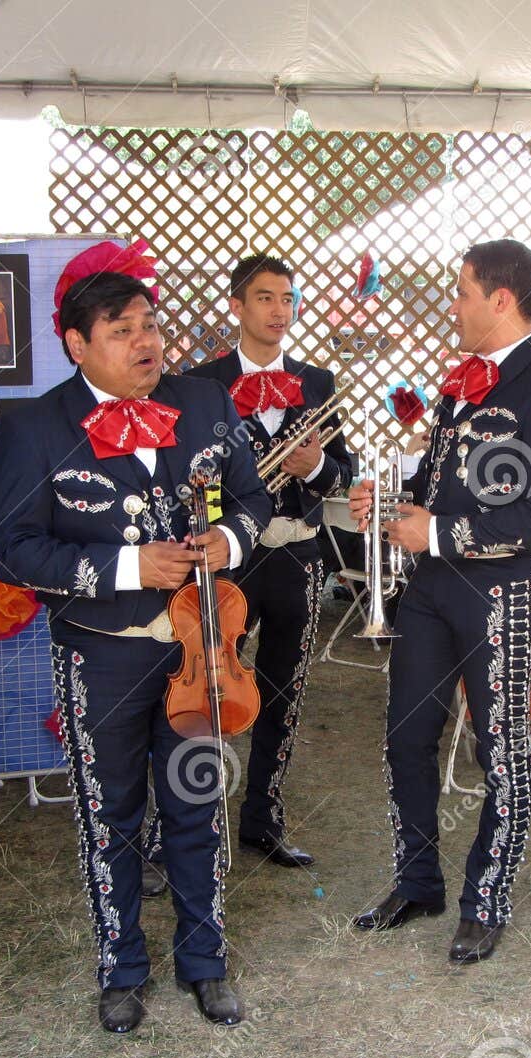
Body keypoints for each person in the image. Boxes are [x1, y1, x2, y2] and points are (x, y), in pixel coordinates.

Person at [0, 270, 272, 1034]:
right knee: (108, 815)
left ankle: (205, 962)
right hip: (100, 654)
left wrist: (230, 538)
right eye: (122, 331)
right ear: (77, 345)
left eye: (149, 324)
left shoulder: (206, 402)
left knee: (197, 803)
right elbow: (12, 550)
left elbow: (254, 497)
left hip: (201, 651)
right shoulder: (35, 427)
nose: (145, 342)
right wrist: (127, 568)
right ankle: (121, 968)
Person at [350, 239, 531, 964]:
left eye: (461, 292)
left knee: (502, 751)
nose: (452, 306)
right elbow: (437, 479)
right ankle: (417, 881)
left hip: (499, 594)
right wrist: (391, 500)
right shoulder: (462, 382)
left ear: (501, 299)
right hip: (429, 591)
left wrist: (435, 532)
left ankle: (487, 901)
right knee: (406, 737)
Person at [186, 254, 352, 867]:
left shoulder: (318, 383)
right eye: (264, 298)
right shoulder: (200, 384)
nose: (279, 310)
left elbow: (344, 473)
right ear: (236, 305)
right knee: (208, 688)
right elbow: (184, 475)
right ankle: (191, 823)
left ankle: (263, 817)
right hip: (229, 559)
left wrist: (317, 467)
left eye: (287, 299)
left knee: (286, 689)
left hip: (297, 556)